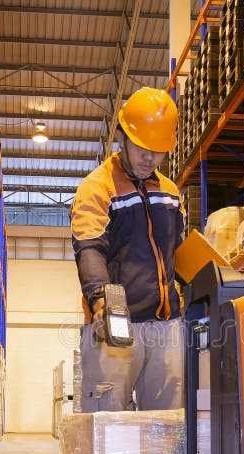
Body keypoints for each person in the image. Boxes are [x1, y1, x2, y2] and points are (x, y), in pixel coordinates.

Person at [70, 87, 185, 412]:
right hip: (117, 324)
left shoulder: (170, 192)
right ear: (122, 137)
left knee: (168, 429)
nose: (150, 158)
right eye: (142, 147)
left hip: (166, 327)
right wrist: (101, 299)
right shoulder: (98, 187)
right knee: (107, 426)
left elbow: (176, 253)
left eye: (159, 150)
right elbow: (89, 247)